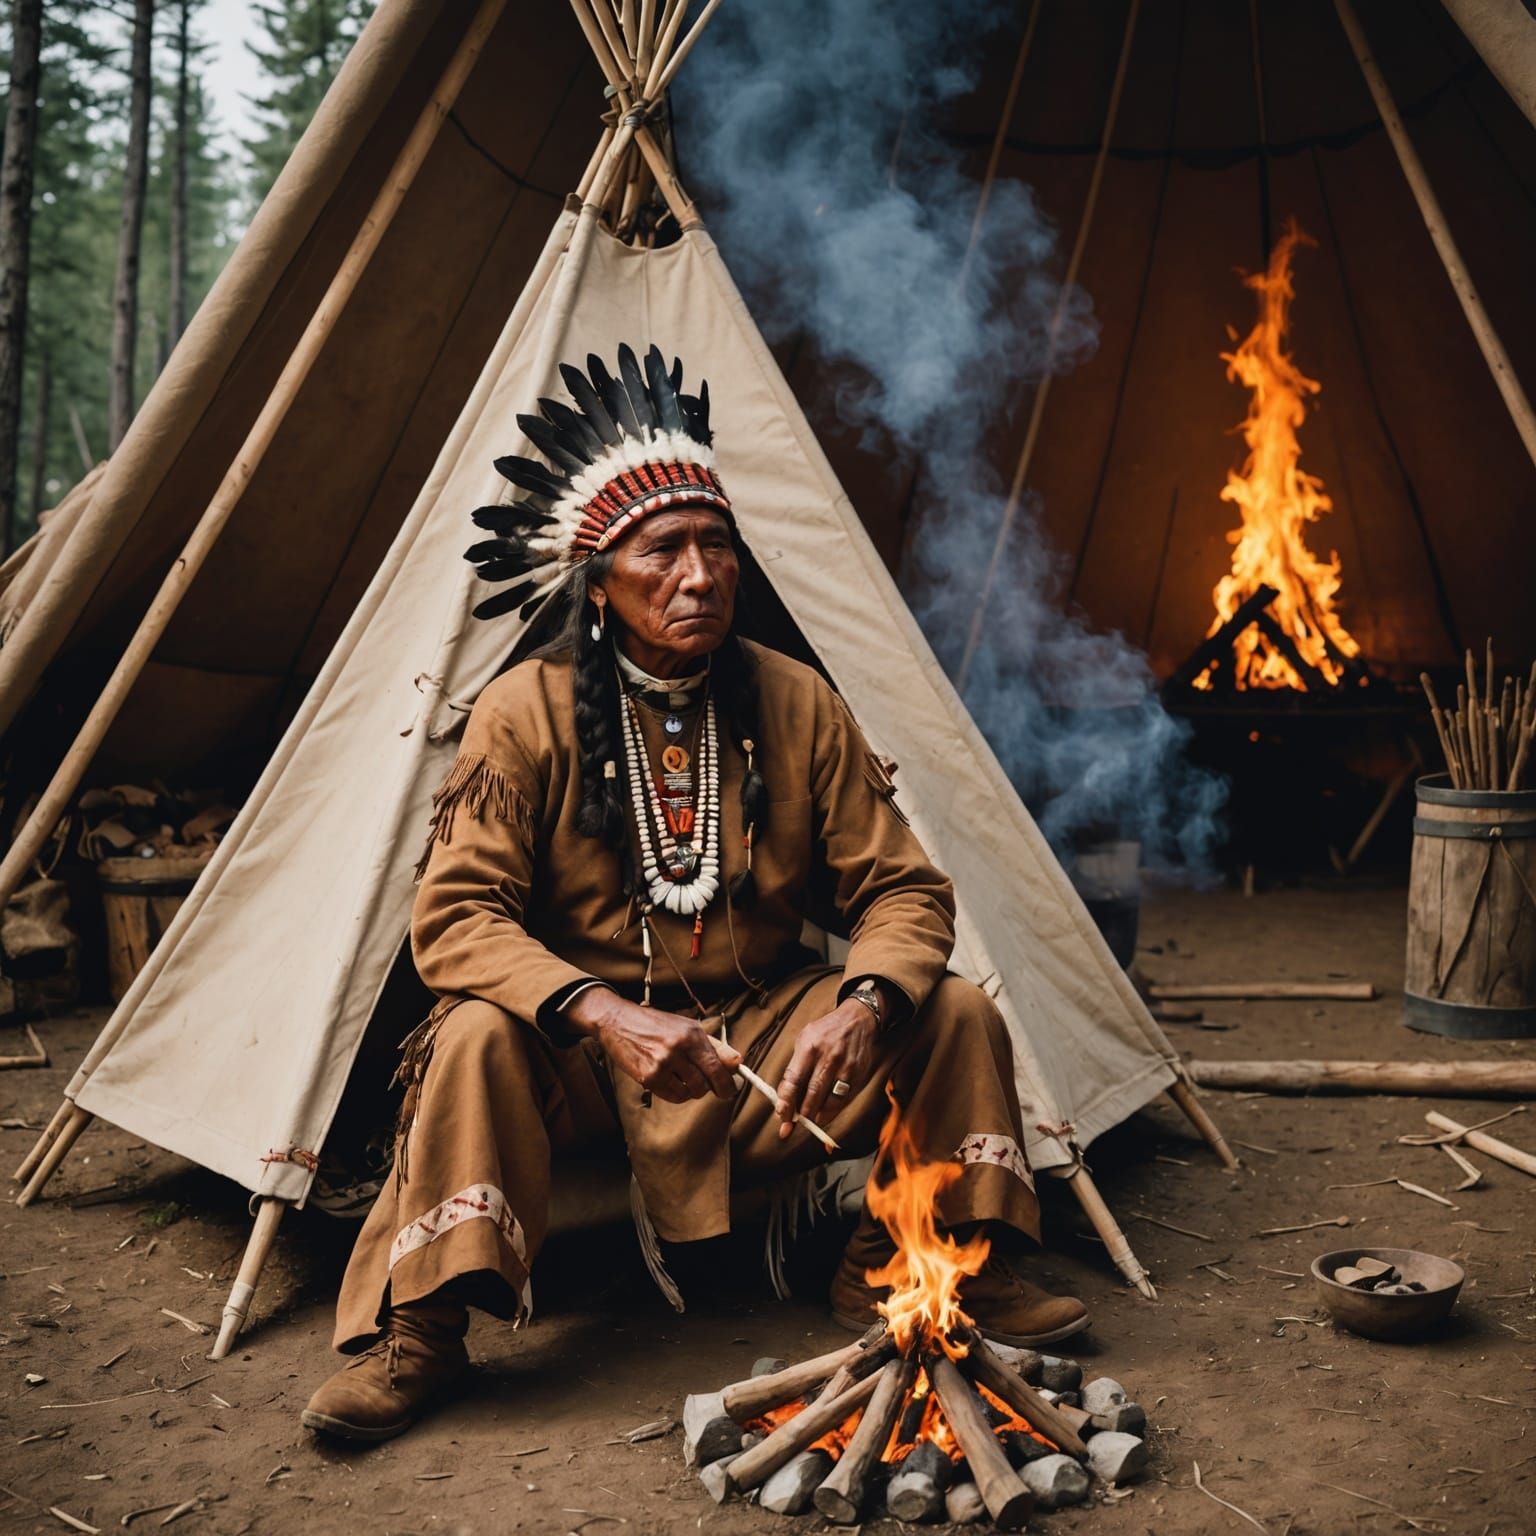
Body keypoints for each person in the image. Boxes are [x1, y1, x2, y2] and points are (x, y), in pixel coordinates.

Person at [301, 345, 1087, 1443]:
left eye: (717, 546)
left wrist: (863, 1002)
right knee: (472, 1033)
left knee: (949, 1006)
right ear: (599, 576)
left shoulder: (795, 698)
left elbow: (903, 889)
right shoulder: (523, 712)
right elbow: (456, 921)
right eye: (662, 549)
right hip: (577, 1055)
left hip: (758, 1045)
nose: (700, 575)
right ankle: (424, 1335)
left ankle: (910, 1267)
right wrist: (606, 1016)